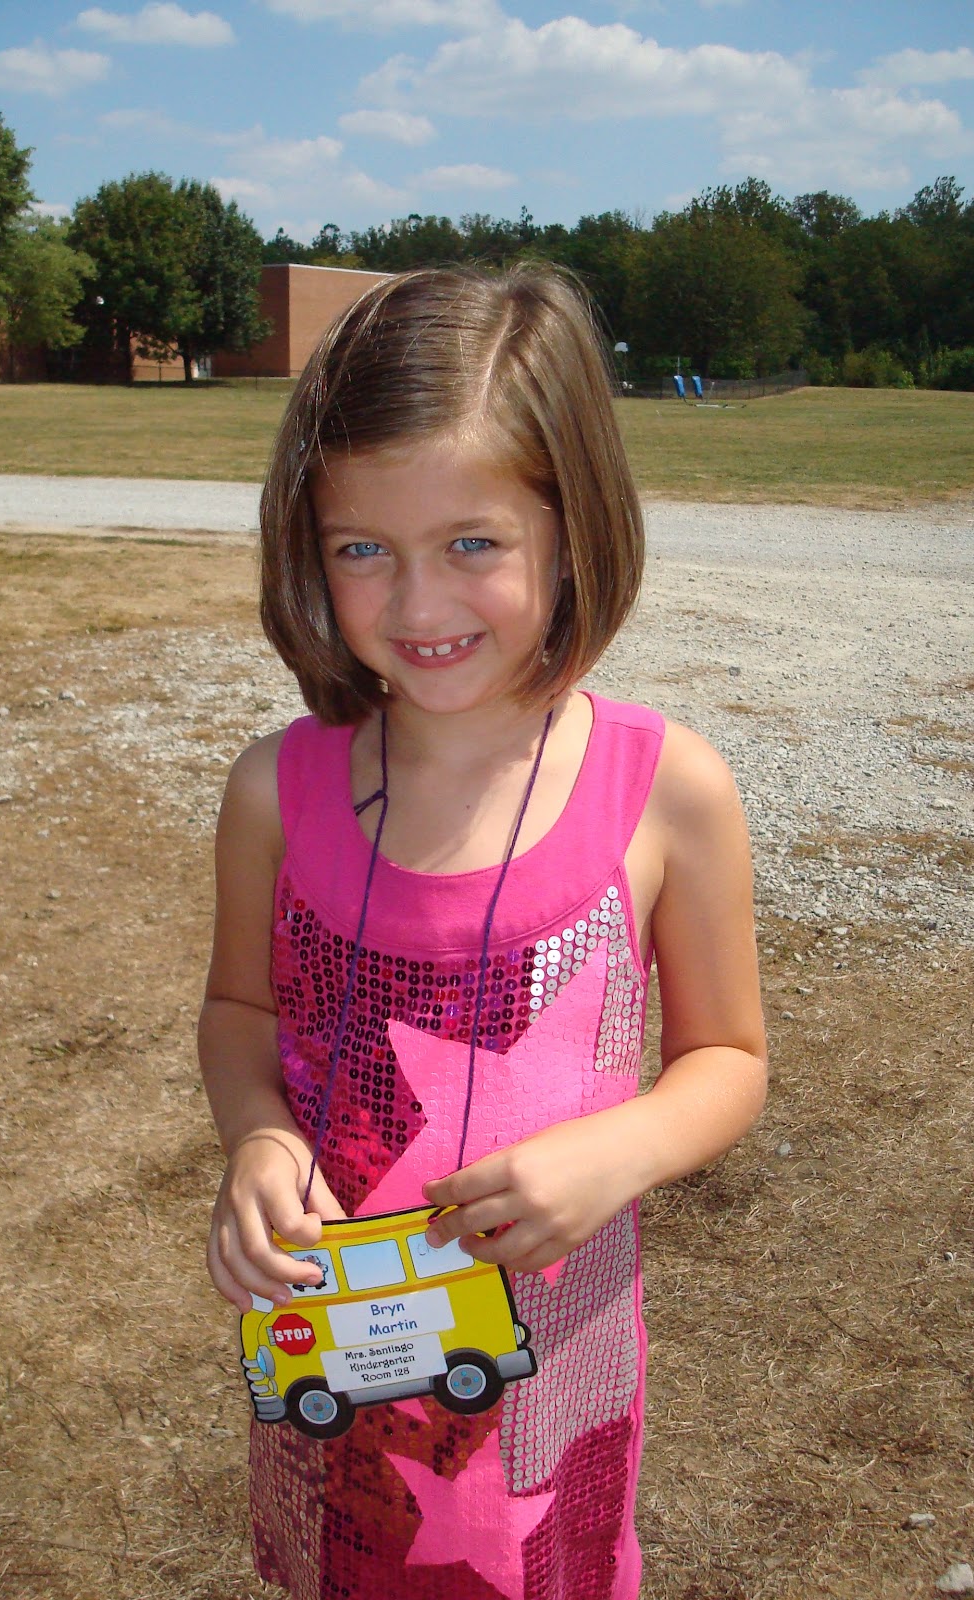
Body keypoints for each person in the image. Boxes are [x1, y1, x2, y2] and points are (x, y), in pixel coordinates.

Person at [199, 265, 767, 1600]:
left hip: (549, 1371)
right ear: (307, 545)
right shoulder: (274, 792)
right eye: (362, 549)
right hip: (338, 1361)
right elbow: (237, 1019)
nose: (417, 605)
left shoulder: (670, 790)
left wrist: (617, 1152)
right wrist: (261, 1140)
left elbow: (730, 1057)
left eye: (473, 543)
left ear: (572, 530)